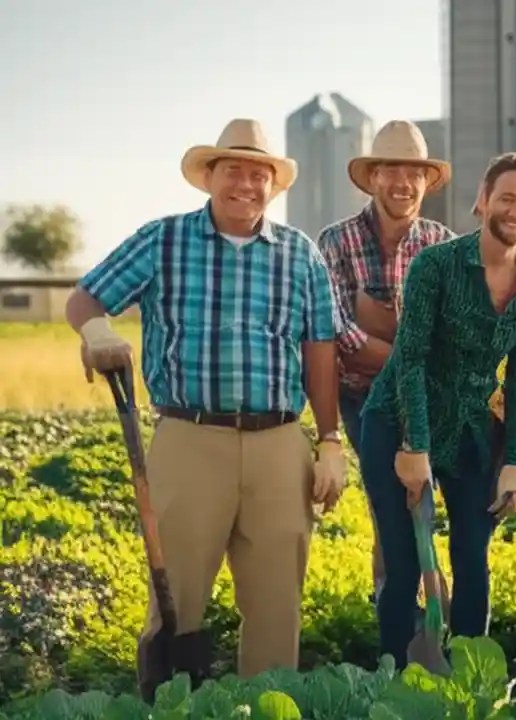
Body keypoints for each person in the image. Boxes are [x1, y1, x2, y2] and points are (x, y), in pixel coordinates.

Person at [65, 118, 346, 681]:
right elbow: (86, 298)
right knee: (176, 599)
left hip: (277, 443)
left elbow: (320, 353)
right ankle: (167, 703)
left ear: (273, 184)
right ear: (209, 177)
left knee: (276, 604)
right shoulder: (163, 239)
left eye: (258, 173)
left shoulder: (300, 254)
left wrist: (330, 441)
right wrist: (95, 332)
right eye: (232, 170)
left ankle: (266, 706)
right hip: (188, 437)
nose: (245, 183)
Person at [356, 151, 516, 668]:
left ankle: (469, 673)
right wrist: (413, 446)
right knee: (401, 565)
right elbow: (412, 359)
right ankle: (396, 677)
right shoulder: (436, 265)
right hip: (395, 420)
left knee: (472, 558)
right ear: (482, 201)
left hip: (471, 433)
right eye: (506, 198)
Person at [317, 119, 455, 603]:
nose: (402, 183)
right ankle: (394, 601)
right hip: (363, 395)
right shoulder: (336, 242)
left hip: (427, 398)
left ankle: (433, 597)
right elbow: (338, 330)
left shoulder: (441, 243)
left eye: (414, 173)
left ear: (426, 182)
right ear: (372, 178)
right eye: (391, 171)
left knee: (427, 497)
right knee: (388, 501)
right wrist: (407, 358)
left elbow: (453, 329)